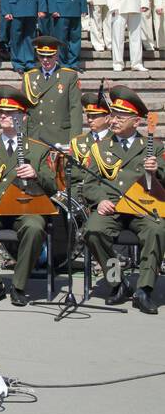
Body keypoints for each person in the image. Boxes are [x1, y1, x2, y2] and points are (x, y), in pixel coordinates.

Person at [0, 86, 60, 307]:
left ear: (23, 118)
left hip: (26, 207)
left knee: (35, 228)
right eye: (1, 113)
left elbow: (52, 185)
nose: (4, 116)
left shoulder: (37, 149)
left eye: (11, 113)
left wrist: (36, 175)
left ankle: (19, 285)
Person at [78, 85, 165, 314]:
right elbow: (89, 184)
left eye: (121, 116)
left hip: (142, 208)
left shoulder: (153, 148)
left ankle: (144, 289)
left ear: (136, 122)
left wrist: (157, 171)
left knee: (156, 230)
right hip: (112, 208)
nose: (114, 120)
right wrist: (100, 200)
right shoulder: (99, 148)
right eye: (113, 115)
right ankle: (118, 282)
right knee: (93, 230)